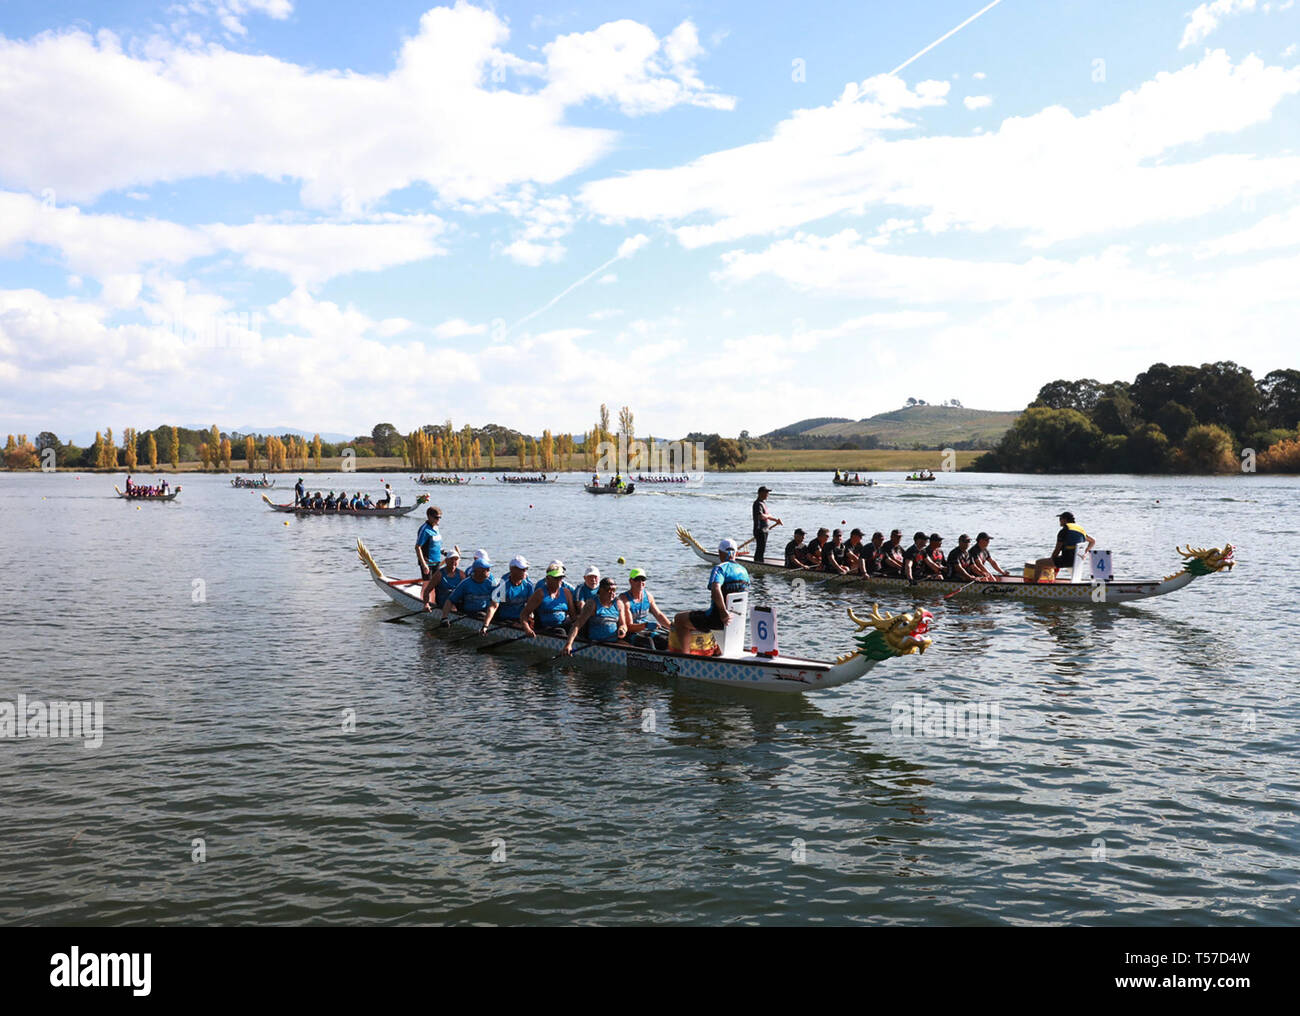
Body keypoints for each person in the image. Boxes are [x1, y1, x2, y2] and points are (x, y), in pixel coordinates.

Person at [671, 538, 750, 649]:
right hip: (736, 620)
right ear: (736, 553)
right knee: (700, 614)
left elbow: (715, 589)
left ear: (719, 553)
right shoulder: (744, 571)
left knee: (679, 618)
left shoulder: (719, 569)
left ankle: (685, 657)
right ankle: (717, 649)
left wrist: (723, 613)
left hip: (717, 619)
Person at [564, 577, 629, 653]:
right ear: (601, 590)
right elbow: (577, 625)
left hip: (613, 641)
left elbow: (623, 625)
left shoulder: (618, 603)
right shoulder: (592, 604)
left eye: (614, 590)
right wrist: (568, 644)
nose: (612, 593)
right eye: (609, 590)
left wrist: (622, 630)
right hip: (596, 643)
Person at [520, 560, 576, 637]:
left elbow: (573, 616)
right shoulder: (539, 594)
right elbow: (524, 614)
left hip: (563, 624)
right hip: (545, 627)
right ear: (548, 578)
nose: (560, 580)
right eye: (556, 578)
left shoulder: (566, 592)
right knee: (561, 632)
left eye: (561, 577)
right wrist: (527, 629)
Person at [1034, 511, 1095, 582]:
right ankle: (1052, 580)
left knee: (1039, 563)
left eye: (1060, 519)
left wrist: (1052, 559)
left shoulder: (1064, 531)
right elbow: (1092, 541)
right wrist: (1086, 551)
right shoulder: (1080, 530)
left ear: (1065, 520)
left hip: (1067, 560)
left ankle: (1034, 585)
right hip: (1078, 560)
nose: (1059, 521)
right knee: (1055, 560)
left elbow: (1057, 550)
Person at [620, 569, 671, 650]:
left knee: (667, 639)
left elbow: (659, 615)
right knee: (649, 642)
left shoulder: (648, 596)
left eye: (643, 579)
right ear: (630, 581)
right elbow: (629, 627)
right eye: (637, 579)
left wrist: (672, 627)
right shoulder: (624, 600)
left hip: (645, 630)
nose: (640, 582)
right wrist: (646, 625)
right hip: (629, 633)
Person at [481, 556, 534, 633]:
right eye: (522, 569)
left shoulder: (528, 586)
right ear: (512, 570)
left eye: (525, 569)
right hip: (506, 619)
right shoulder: (503, 586)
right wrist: (485, 625)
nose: (525, 571)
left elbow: (531, 606)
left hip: (521, 619)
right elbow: (493, 607)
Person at [446, 552, 496, 619]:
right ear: (478, 570)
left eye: (489, 568)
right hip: (469, 613)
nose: (489, 570)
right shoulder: (465, 583)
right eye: (486, 569)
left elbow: (499, 601)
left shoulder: (491, 583)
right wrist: (444, 618)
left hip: (486, 612)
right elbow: (450, 600)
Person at [416, 506, 443, 608]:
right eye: (436, 517)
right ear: (429, 517)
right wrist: (423, 565)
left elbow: (436, 544)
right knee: (427, 584)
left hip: (437, 561)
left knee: (435, 584)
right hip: (427, 562)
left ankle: (434, 603)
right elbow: (417, 547)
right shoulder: (424, 529)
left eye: (440, 518)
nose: (438, 520)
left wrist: (445, 552)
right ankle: (425, 604)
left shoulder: (436, 528)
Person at [751, 485, 781, 564]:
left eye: (768, 493)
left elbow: (766, 516)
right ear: (760, 493)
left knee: (762, 549)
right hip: (760, 530)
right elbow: (760, 516)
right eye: (766, 492)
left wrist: (775, 520)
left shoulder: (763, 503)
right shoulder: (757, 503)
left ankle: (760, 562)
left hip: (765, 530)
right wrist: (769, 516)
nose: (768, 495)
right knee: (760, 549)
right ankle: (758, 564)